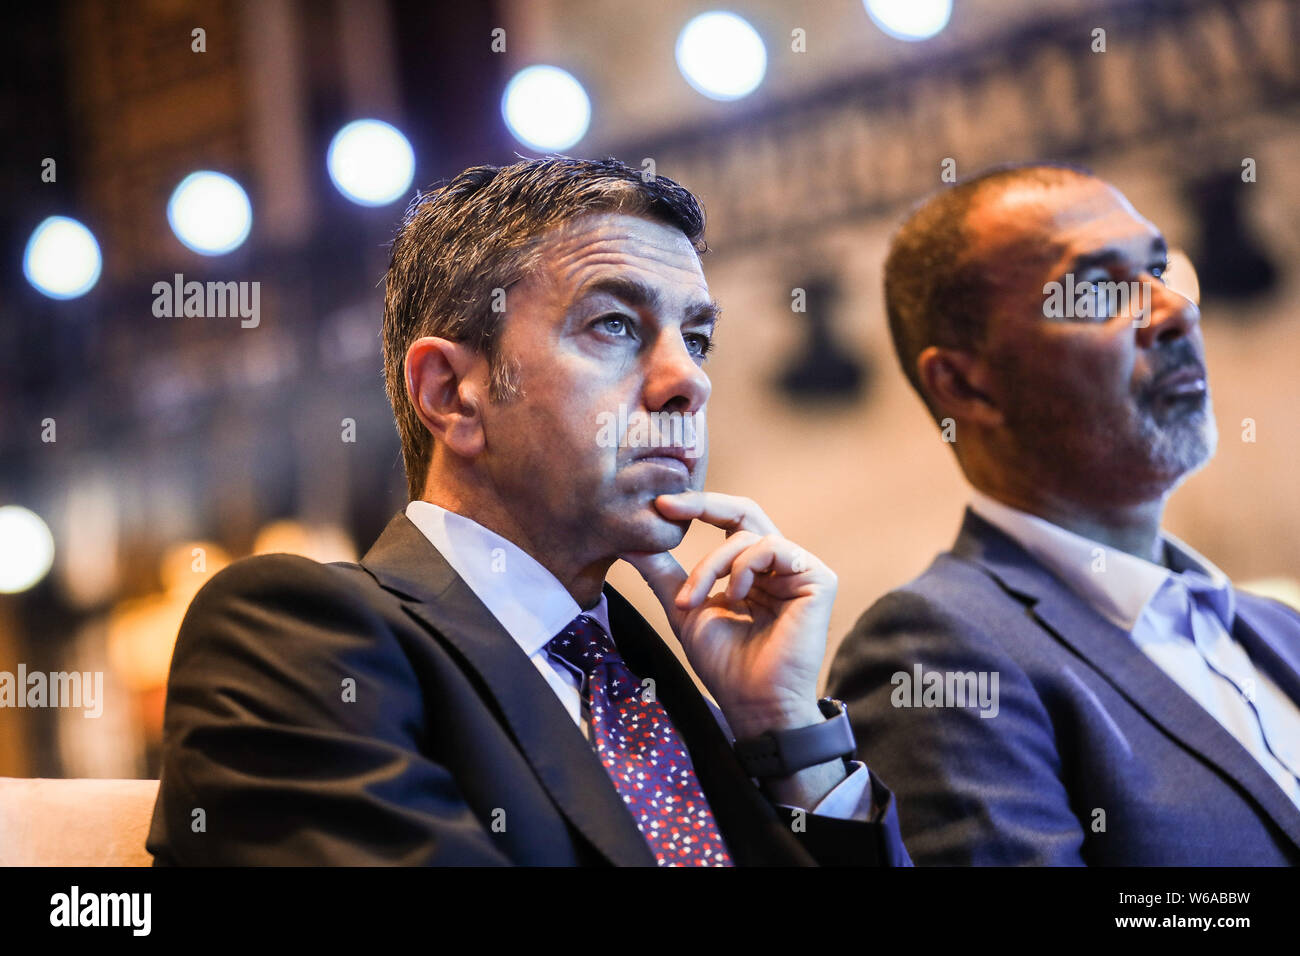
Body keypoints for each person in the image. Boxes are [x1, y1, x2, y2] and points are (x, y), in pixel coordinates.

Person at [147, 157, 909, 866]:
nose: (689, 382)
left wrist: (786, 732)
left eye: (698, 338)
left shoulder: (687, 701)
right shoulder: (295, 638)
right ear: (451, 394)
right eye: (614, 324)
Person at [828, 163, 1300, 865]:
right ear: (966, 382)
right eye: (1100, 288)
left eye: (1160, 269)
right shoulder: (932, 650)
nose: (1175, 310)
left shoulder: (1278, 629)